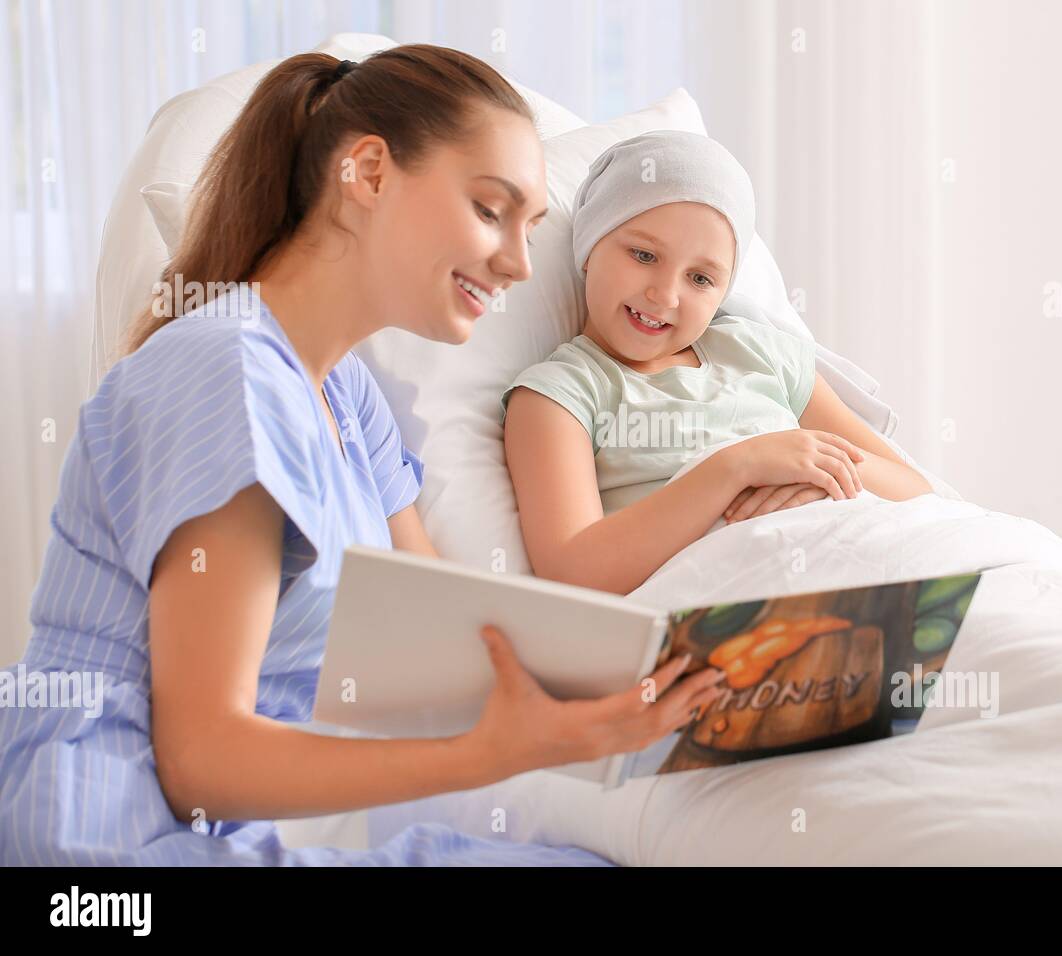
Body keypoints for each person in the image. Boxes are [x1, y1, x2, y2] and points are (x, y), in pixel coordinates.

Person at [0, 46, 726, 866]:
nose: (521, 265)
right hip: (106, 837)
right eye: (492, 211)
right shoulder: (224, 375)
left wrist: (653, 688)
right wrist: (500, 749)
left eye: (530, 230)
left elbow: (440, 642)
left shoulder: (349, 403)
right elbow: (200, 761)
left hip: (235, 831)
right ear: (370, 174)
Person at [501, 131, 933, 596]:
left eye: (701, 278)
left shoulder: (761, 353)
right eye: (643, 255)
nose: (665, 294)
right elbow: (573, 568)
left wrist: (816, 474)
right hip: (740, 601)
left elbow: (916, 490)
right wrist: (737, 466)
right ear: (589, 246)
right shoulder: (560, 395)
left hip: (870, 560)